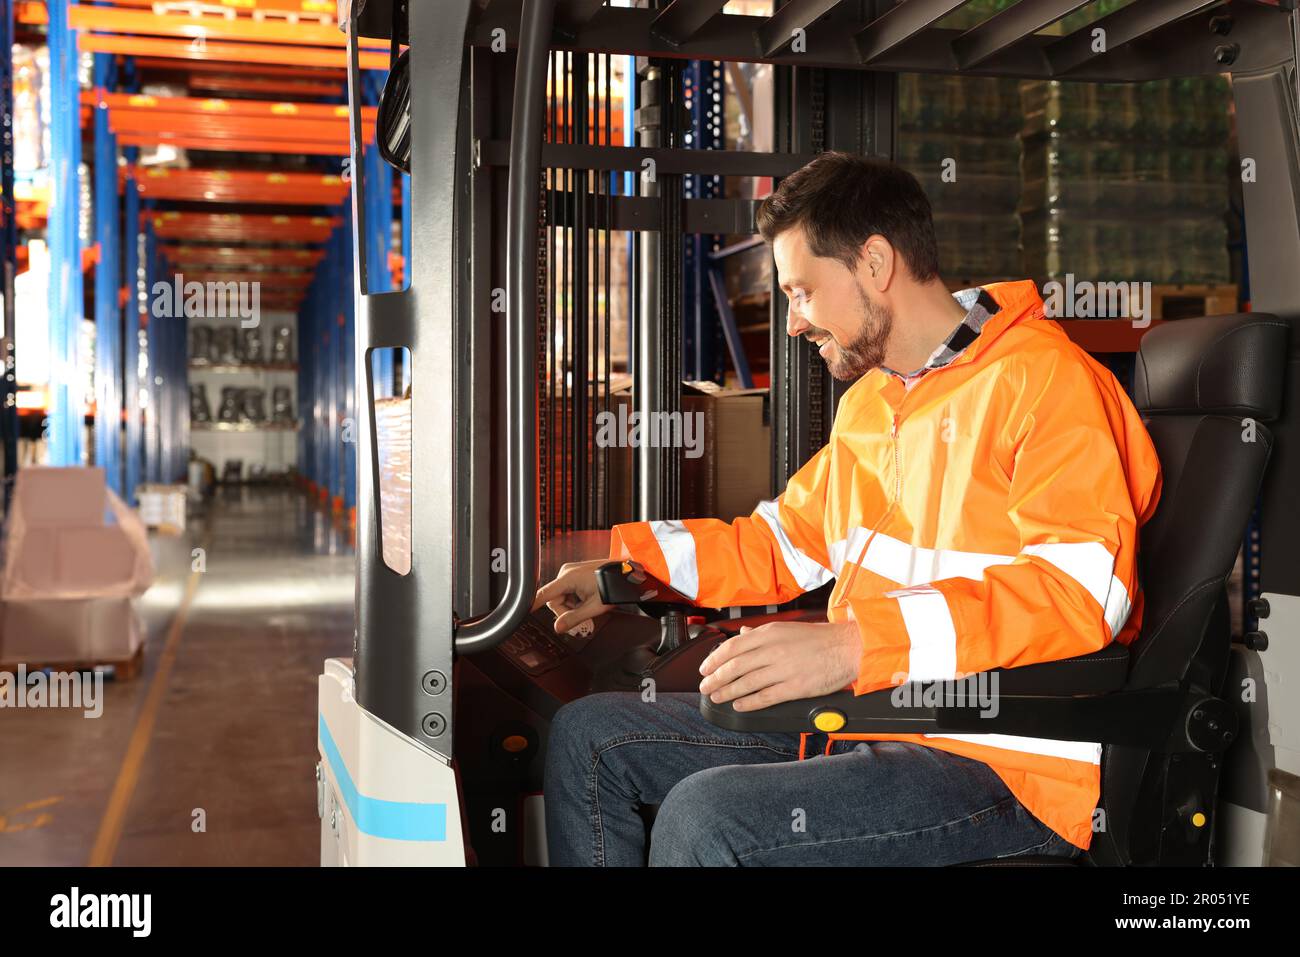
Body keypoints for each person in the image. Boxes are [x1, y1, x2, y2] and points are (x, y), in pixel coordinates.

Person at [535, 152, 1161, 867]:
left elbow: (1079, 593)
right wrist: (625, 567)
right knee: (591, 739)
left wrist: (850, 646)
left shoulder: (1047, 383)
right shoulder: (877, 400)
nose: (794, 321)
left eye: (801, 291)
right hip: (882, 713)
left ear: (874, 262)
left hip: (1000, 761)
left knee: (707, 818)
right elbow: (783, 542)